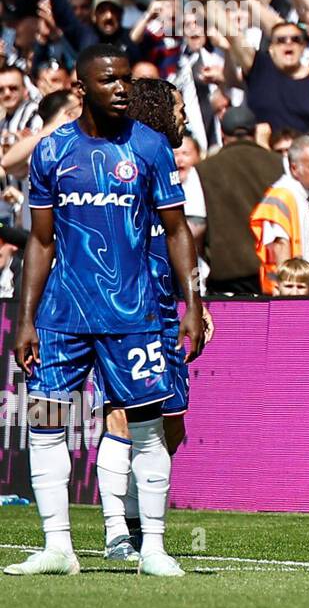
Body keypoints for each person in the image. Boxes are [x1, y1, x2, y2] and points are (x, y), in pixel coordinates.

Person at [5, 45, 205, 578]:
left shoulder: (151, 147)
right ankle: (57, 547)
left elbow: (177, 229)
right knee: (45, 423)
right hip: (62, 315)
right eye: (109, 81)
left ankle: (154, 548)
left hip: (134, 313)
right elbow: (40, 242)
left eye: (125, 81)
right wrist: (25, 320)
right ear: (81, 89)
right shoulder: (51, 152)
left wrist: (192, 301)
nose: (121, 89)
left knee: (146, 427)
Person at [112, 77, 215, 559]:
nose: (186, 117)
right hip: (120, 308)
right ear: (156, 109)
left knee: (172, 424)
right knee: (124, 417)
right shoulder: (120, 158)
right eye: (178, 108)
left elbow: (177, 237)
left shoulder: (161, 160)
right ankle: (121, 532)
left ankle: (134, 520)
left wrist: (194, 301)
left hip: (163, 308)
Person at [193, 106, 285, 294]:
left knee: (236, 324)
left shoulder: (204, 170)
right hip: (271, 269)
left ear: (221, 133)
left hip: (226, 272)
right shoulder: (280, 164)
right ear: (255, 131)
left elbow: (198, 225)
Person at [249, 135, 309, 294]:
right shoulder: (281, 197)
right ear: (294, 168)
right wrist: (289, 294)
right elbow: (281, 248)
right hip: (296, 293)